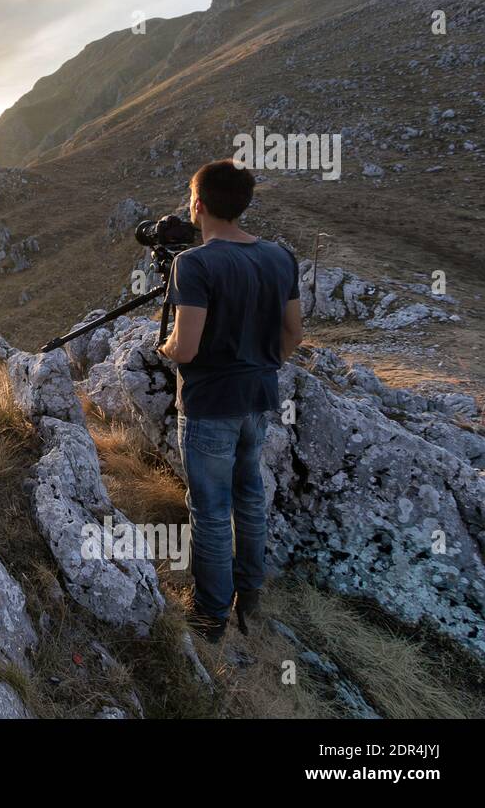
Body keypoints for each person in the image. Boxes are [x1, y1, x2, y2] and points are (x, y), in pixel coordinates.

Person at [158, 159, 302, 642]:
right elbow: (293, 333)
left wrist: (166, 348)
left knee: (212, 509)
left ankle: (211, 615)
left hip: (210, 404)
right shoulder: (281, 257)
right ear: (243, 205)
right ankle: (250, 596)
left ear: (197, 205)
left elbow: (188, 347)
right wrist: (264, 366)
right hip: (258, 398)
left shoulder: (194, 264)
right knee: (249, 497)